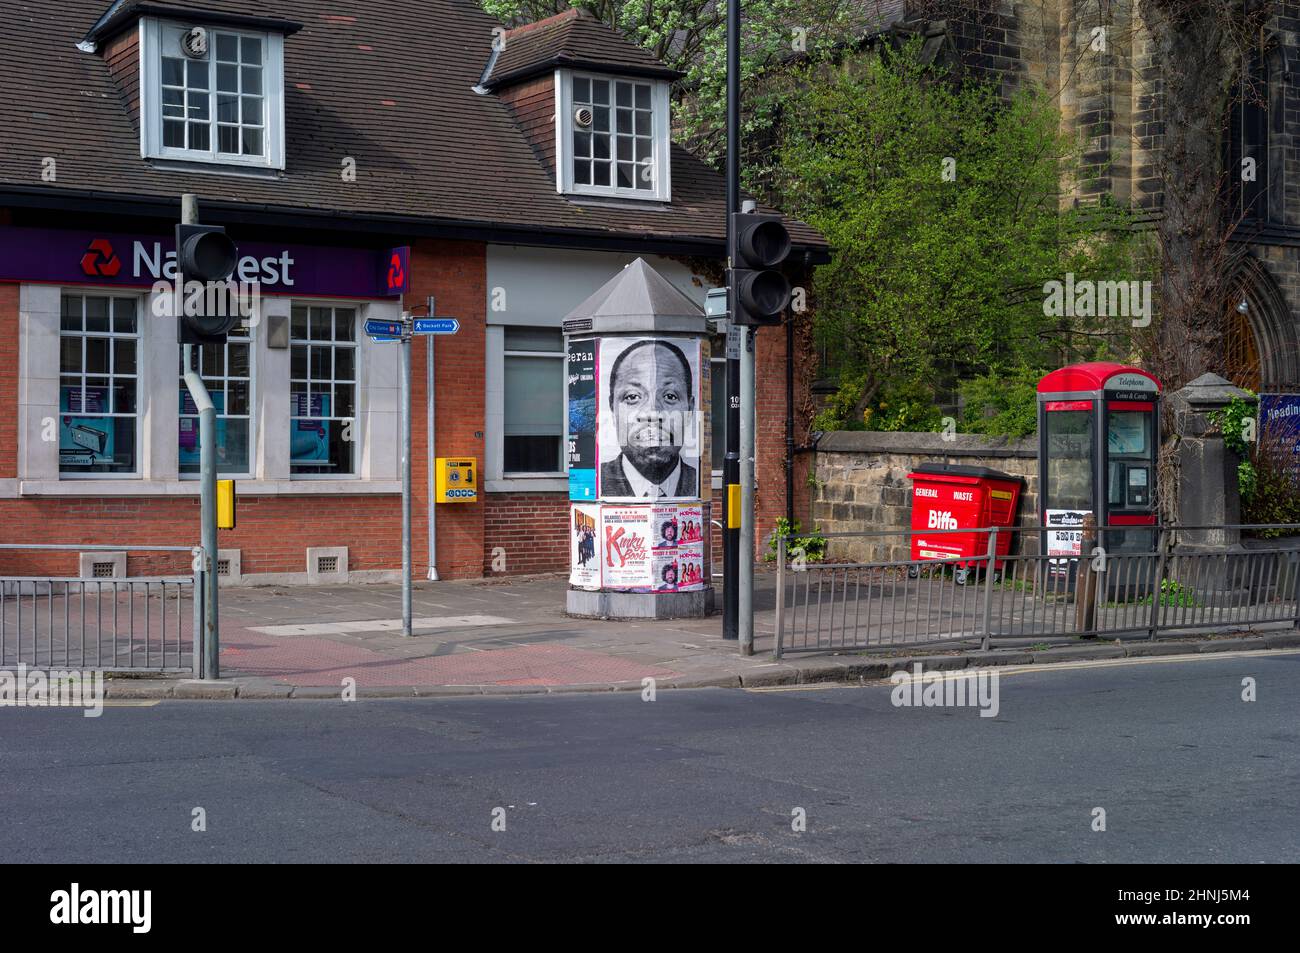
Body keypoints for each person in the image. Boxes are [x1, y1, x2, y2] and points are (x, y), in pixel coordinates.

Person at [600, 340, 697, 498]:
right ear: (613, 408)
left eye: (669, 396)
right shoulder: (596, 483)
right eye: (632, 397)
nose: (652, 414)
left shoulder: (700, 482)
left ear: (690, 409)